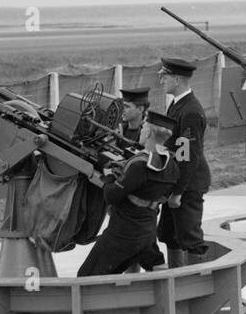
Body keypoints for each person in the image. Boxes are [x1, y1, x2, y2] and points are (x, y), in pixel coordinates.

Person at [77, 111, 179, 276]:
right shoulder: (172, 166)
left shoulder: (139, 166)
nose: (142, 130)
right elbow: (156, 191)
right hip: (147, 231)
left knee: (86, 277)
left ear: (148, 132)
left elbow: (111, 195)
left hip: (123, 235)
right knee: (156, 267)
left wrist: (109, 174)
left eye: (144, 126)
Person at [155, 56, 212, 262]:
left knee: (190, 238)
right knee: (169, 234)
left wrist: (178, 192)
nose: (162, 81)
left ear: (176, 80)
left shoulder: (190, 112)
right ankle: (176, 280)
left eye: (165, 77)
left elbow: (188, 156)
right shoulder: (178, 105)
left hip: (189, 183)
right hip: (179, 180)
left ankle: (199, 287)